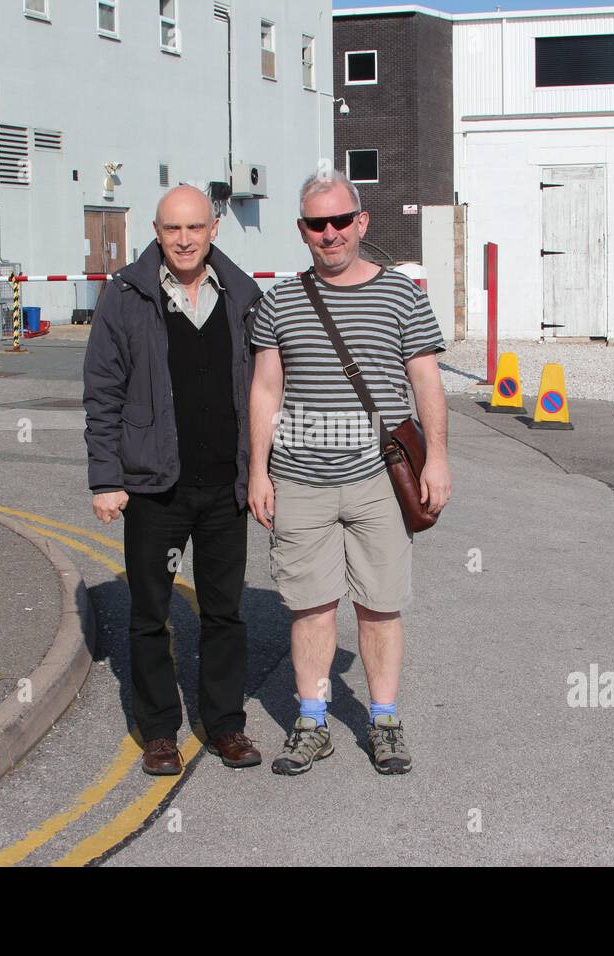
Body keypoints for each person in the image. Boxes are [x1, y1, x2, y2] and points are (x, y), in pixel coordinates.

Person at [248, 169, 452, 776]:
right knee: (310, 607)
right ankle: (313, 721)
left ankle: (383, 719)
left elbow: (426, 383)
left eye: (341, 220)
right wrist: (258, 471)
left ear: (361, 222)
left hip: (379, 480)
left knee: (380, 605)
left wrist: (437, 460)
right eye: (318, 224)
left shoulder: (403, 295)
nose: (330, 233)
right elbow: (265, 390)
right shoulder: (280, 299)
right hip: (300, 480)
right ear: (302, 230)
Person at [83, 184, 262, 775]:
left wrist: (263, 471)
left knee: (224, 613)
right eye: (171, 229)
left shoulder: (242, 293)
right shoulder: (126, 296)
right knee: (149, 614)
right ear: (157, 233)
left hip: (223, 487)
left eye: (194, 228)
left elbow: (266, 391)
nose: (184, 240)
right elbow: (102, 392)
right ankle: (159, 730)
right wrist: (105, 479)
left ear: (213, 229)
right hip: (153, 488)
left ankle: (225, 725)